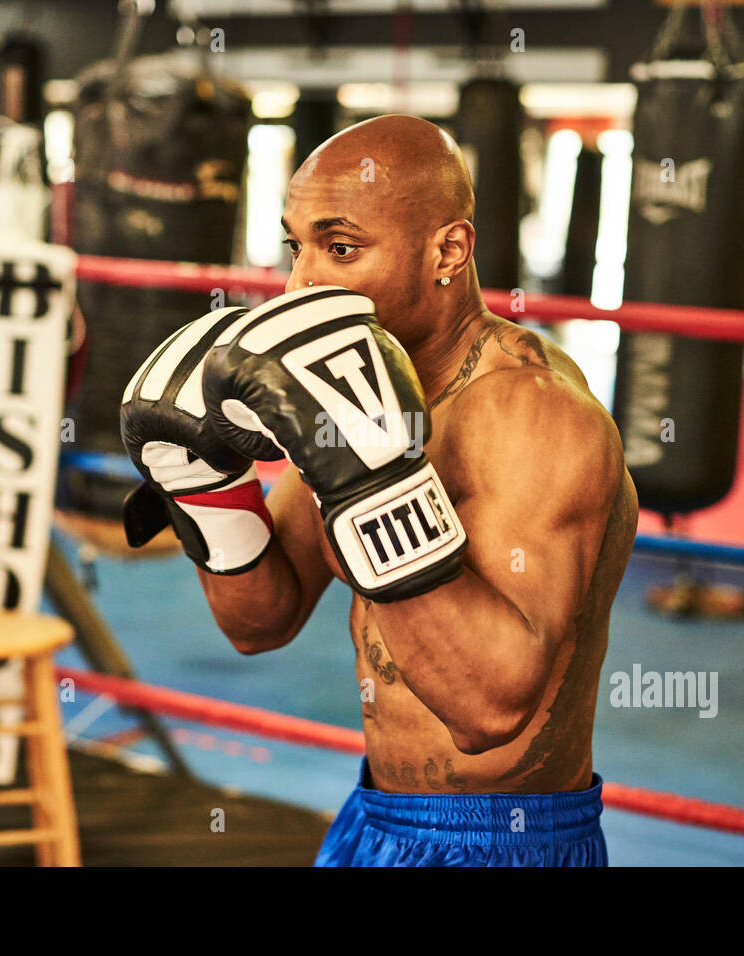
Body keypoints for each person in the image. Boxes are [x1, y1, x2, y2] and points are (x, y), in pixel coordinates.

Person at [120, 114, 637, 866]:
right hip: (374, 813)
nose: (300, 284)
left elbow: (490, 709)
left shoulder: (534, 414)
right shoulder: (350, 390)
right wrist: (204, 484)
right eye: (296, 247)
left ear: (448, 252)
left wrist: (371, 486)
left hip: (504, 842)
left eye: (341, 248)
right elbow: (260, 622)